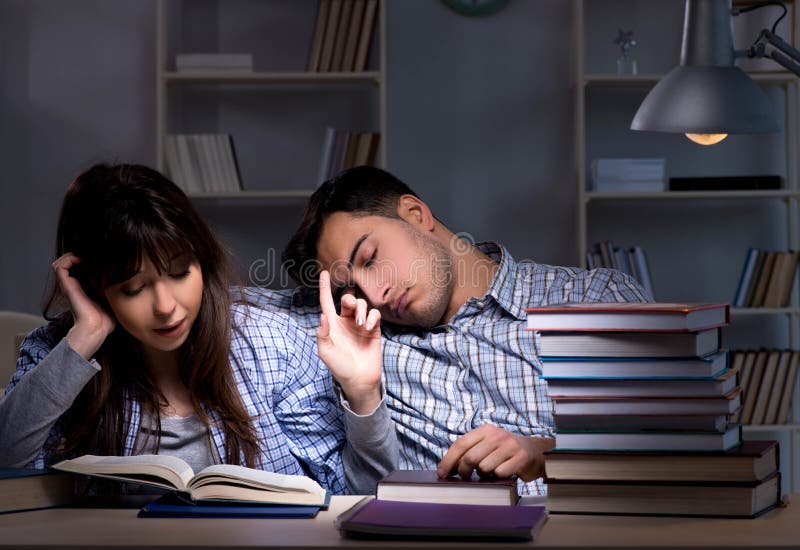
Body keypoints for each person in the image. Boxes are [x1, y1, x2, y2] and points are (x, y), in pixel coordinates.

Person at [248, 166, 651, 495]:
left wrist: (546, 455)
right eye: (350, 287)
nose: (374, 293)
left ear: (416, 214)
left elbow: (669, 447)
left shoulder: (594, 297)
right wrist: (363, 393)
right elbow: (215, 300)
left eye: (370, 259)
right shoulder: (358, 335)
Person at [0, 163, 396, 495]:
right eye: (133, 288)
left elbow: (356, 493)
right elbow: (7, 461)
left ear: (202, 260)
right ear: (97, 291)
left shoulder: (273, 343)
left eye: (179, 273)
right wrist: (85, 337)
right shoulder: (59, 352)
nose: (166, 307)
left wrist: (362, 394)